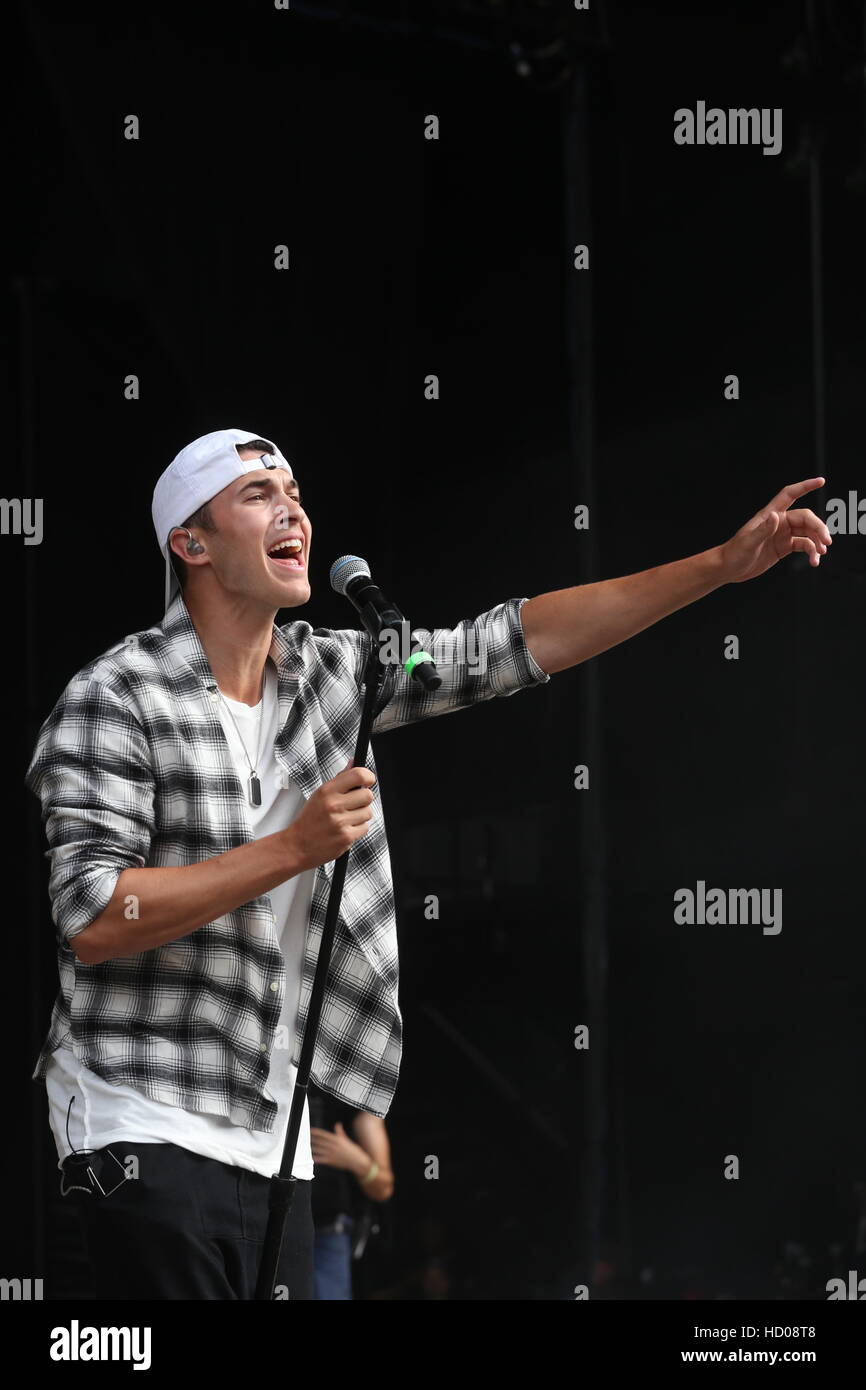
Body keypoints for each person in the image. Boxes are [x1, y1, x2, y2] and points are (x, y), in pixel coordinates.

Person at [25, 427, 831, 1299]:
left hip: (272, 1135)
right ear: (192, 543)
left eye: (295, 491)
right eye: (257, 495)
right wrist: (291, 850)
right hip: (140, 1112)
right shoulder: (117, 695)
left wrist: (716, 564)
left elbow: (515, 644)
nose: (292, 507)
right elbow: (96, 917)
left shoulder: (335, 675)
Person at [308, 1080, 393, 1300]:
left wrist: (356, 1161)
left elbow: (384, 1187)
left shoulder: (356, 1088)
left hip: (326, 1229)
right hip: (265, 1217)